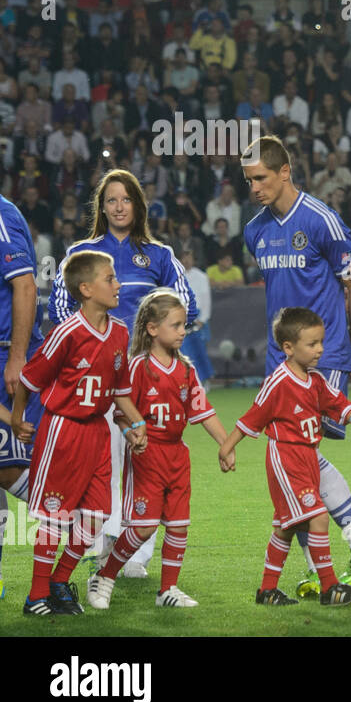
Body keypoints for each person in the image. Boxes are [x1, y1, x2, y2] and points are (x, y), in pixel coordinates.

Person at [241, 135, 351, 597]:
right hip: (279, 360)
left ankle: (332, 558)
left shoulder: (321, 219)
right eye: (248, 180)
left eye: (261, 178)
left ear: (285, 171)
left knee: (300, 454)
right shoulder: (255, 229)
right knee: (297, 454)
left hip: (323, 357)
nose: (254, 188)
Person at [48, 169, 198, 578]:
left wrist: (157, 347)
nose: (118, 206)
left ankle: (136, 554)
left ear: (138, 206)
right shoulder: (82, 253)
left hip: (146, 376)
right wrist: (89, 344)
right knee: (101, 457)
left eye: (126, 199)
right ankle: (103, 541)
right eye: (111, 200)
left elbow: (188, 305)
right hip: (98, 374)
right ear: (101, 207)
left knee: (144, 461)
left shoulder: (160, 255)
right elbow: (59, 308)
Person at [11, 251, 149, 614]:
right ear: (85, 289)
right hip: (63, 430)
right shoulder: (67, 333)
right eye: (110, 278)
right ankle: (36, 596)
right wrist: (16, 418)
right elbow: (29, 378)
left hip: (98, 433)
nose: (118, 284)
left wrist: (134, 424)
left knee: (96, 516)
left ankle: (59, 582)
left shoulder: (120, 333)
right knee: (55, 515)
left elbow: (120, 391)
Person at [216, 307, 351, 607]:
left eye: (321, 342)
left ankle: (267, 590)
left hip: (308, 458)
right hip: (286, 459)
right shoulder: (278, 382)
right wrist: (227, 447)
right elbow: (253, 417)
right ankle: (331, 588)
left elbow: (338, 402)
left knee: (286, 527)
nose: (320, 349)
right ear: (289, 348)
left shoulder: (314, 379)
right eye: (312, 344)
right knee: (317, 517)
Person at [86, 291, 229, 609]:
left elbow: (202, 411)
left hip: (178, 456)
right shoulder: (138, 367)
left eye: (184, 326)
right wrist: (129, 433)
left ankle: (168, 589)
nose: (182, 331)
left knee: (178, 525)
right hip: (146, 455)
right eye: (176, 325)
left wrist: (226, 444)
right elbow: (121, 411)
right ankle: (105, 575)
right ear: (152, 329)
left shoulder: (187, 371)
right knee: (144, 526)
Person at [0, 187, 44, 600]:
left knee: (15, 467)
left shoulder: (1, 213)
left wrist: (16, 359)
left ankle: (83, 525)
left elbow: (26, 286)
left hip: (5, 361)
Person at [178, 249, 214, 386]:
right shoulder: (175, 275)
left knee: (200, 352)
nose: (186, 261)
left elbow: (206, 300)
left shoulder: (202, 276)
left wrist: (202, 319)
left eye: (189, 258)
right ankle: (187, 382)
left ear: (193, 259)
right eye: (184, 258)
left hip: (198, 318)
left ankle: (205, 381)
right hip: (181, 317)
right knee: (184, 352)